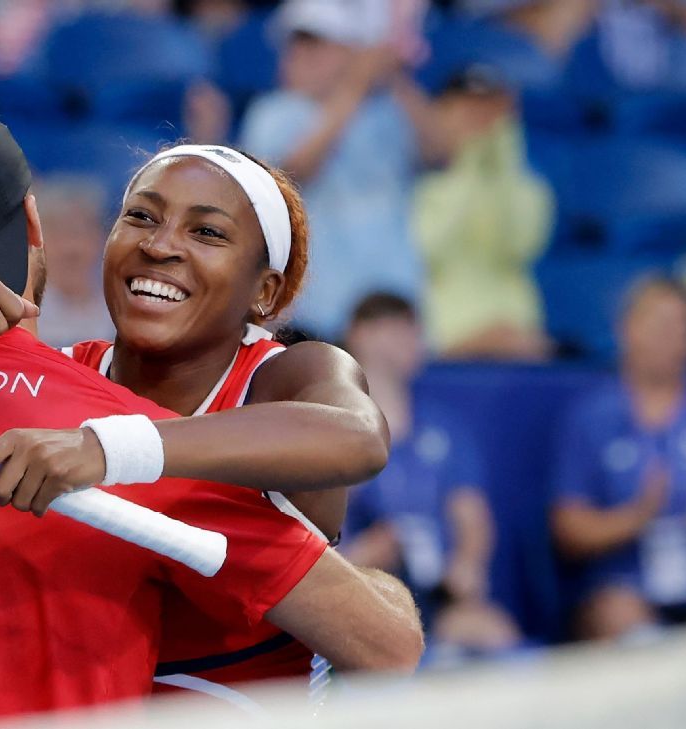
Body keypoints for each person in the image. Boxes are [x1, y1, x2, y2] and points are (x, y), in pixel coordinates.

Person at [0, 108, 423, 729]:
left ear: (266, 289)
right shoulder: (62, 378)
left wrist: (109, 449)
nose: (162, 245)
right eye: (141, 217)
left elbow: (360, 437)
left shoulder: (286, 375)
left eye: (207, 231)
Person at [238, 0, 449, 340]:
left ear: (353, 51)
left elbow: (441, 152)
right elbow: (290, 175)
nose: (301, 54)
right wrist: (355, 85)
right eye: (296, 42)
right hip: (311, 311)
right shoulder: (272, 112)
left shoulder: (388, 110)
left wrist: (393, 70)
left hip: (388, 304)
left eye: (318, 44)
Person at [341, 293, 522, 660]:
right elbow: (312, 538)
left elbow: (471, 515)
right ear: (360, 335)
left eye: (413, 330)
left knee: (497, 637)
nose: (411, 340)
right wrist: (361, 555)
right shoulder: (334, 432)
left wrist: (468, 564)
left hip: (438, 594)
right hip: (364, 596)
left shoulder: (444, 428)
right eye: (394, 327)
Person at [551, 277, 686, 641]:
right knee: (619, 615)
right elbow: (568, 528)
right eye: (659, 323)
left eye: (680, 324)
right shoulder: (592, 418)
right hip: (622, 587)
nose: (671, 335)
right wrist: (635, 518)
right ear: (627, 329)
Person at [413, 62, 554, 361]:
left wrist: (504, 156)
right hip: (444, 343)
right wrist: (466, 165)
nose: (477, 122)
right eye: (464, 109)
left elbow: (519, 244)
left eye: (488, 111)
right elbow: (426, 249)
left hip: (516, 338)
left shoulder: (527, 187)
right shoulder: (413, 184)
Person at [30, 175, 115, 347]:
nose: (71, 249)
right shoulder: (22, 312)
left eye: (80, 233)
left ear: (101, 238)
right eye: (58, 233)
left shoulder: (118, 308)